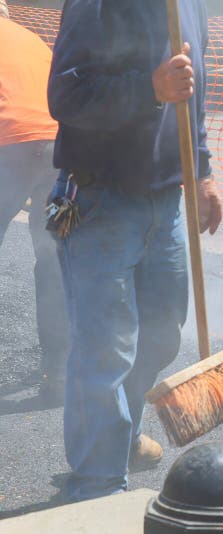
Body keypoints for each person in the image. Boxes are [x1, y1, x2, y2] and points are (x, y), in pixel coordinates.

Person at [47, 0, 223, 502]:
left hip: (164, 201)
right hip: (101, 198)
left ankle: (117, 440)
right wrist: (148, 89)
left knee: (161, 336)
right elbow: (65, 94)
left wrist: (204, 171)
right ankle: (96, 484)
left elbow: (195, 92)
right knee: (105, 350)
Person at [0, 5, 70, 400]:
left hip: (9, 143)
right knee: (54, 254)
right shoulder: (30, 37)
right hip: (59, 147)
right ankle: (58, 374)